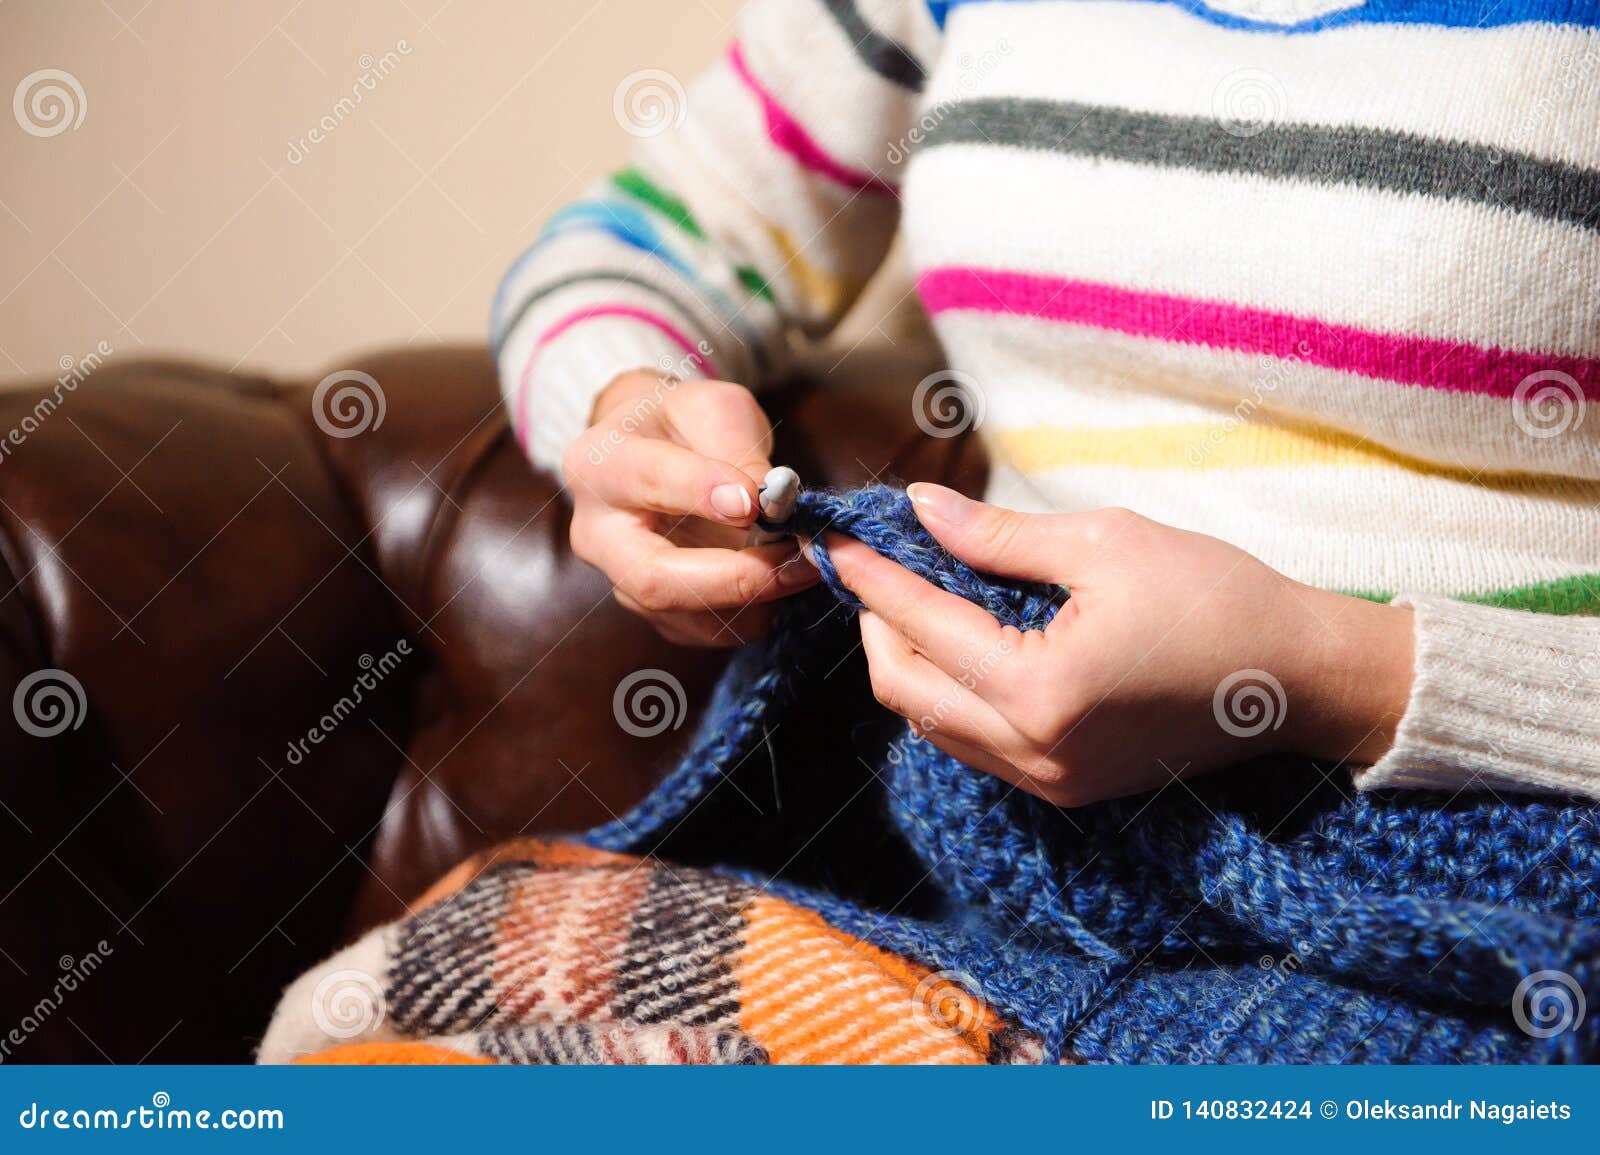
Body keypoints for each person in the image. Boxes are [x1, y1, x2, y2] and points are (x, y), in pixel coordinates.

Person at [492, 0, 1600, 806]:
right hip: (1016, 883)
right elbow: (655, 238)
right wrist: (627, 405)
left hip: (1514, 904)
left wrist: (1324, 671)